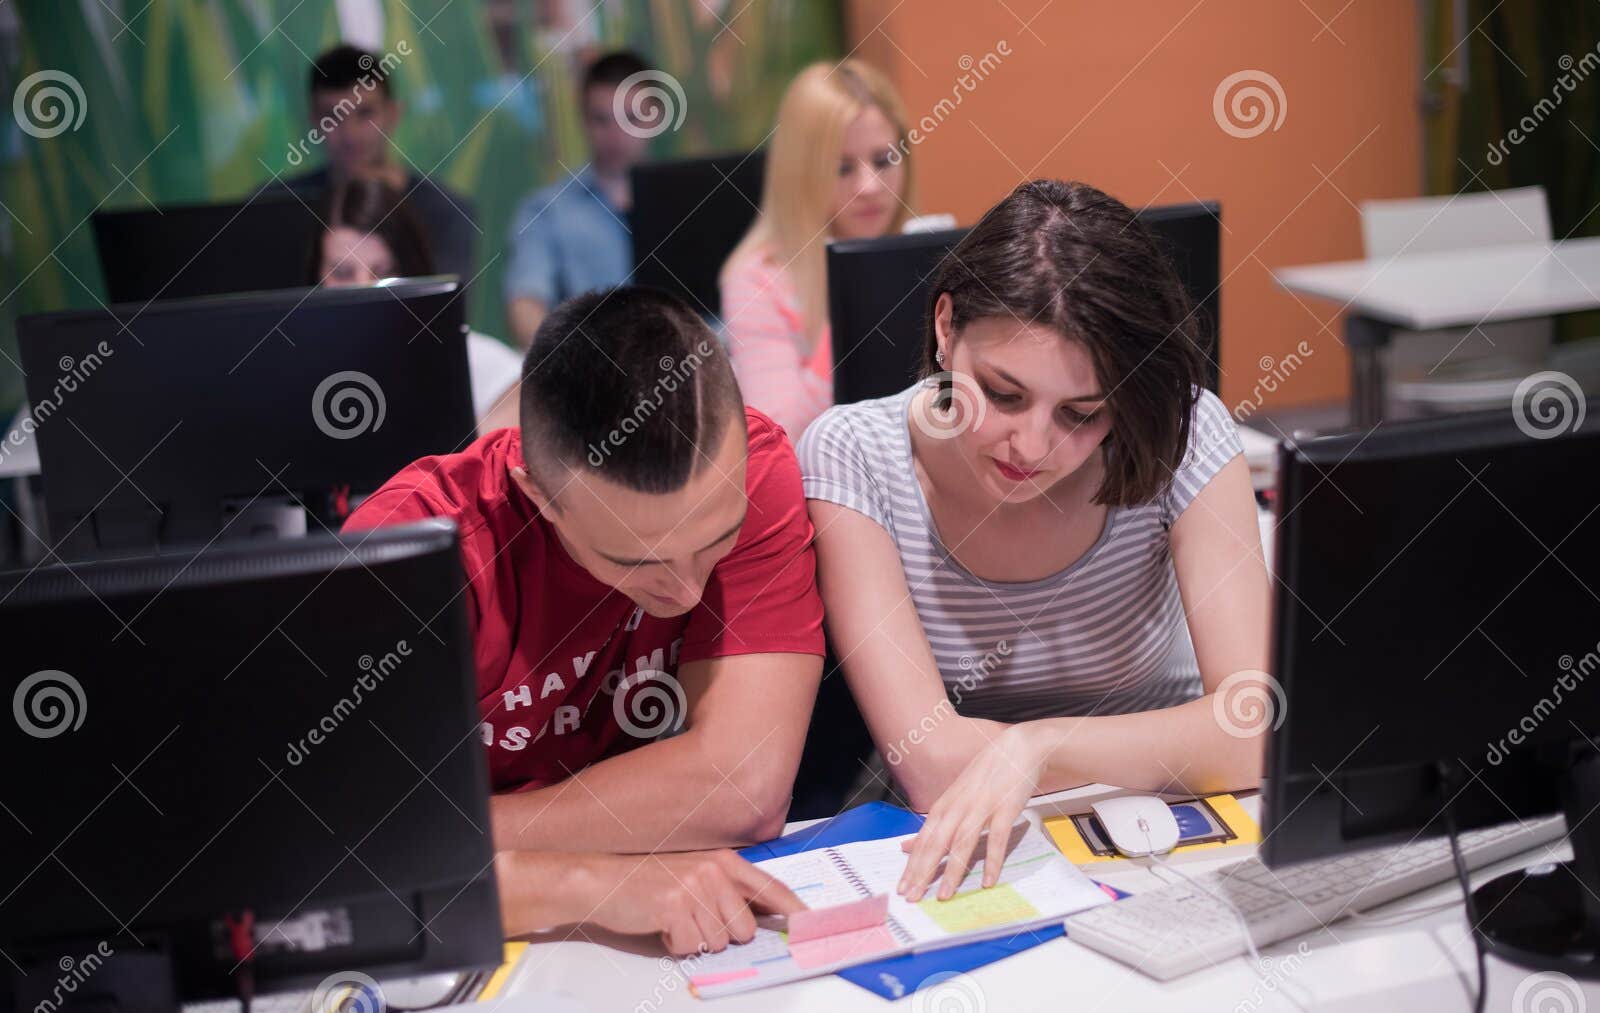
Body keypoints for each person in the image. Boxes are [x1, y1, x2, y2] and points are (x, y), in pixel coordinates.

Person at [797, 180, 1270, 903]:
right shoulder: (854, 454)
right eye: (1005, 392)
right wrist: (1180, 747)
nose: (1032, 444)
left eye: (1082, 413)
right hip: (975, 844)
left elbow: (1257, 727)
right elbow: (929, 764)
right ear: (946, 327)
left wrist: (1036, 746)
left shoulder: (1186, 429)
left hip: (1176, 837)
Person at [342, 287, 826, 943]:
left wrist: (454, 833)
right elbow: (344, 861)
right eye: (634, 559)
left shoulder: (757, 469)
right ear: (536, 494)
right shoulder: (414, 546)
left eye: (717, 538)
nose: (685, 592)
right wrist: (581, 881)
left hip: (644, 921)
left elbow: (742, 790)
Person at [719, 60, 915, 442]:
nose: (870, 186)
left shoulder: (921, 250)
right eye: (842, 168)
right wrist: (855, 300)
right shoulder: (755, 280)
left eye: (884, 160)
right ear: (801, 173)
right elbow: (781, 437)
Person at [308, 177, 521, 427]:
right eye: (343, 274)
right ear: (315, 277)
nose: (364, 289)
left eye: (384, 272)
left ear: (413, 270)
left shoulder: (488, 371)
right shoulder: (293, 377)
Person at [275, 43, 477, 287]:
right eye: (334, 116)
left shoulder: (445, 212)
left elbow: (443, 312)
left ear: (393, 114)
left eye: (364, 113)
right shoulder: (273, 206)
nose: (350, 134)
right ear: (314, 120)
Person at [504, 50, 653, 350]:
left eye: (631, 118)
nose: (616, 134)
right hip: (591, 376)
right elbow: (526, 302)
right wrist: (568, 370)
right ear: (583, 121)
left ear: (657, 116)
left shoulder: (693, 199)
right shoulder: (546, 210)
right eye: (601, 120)